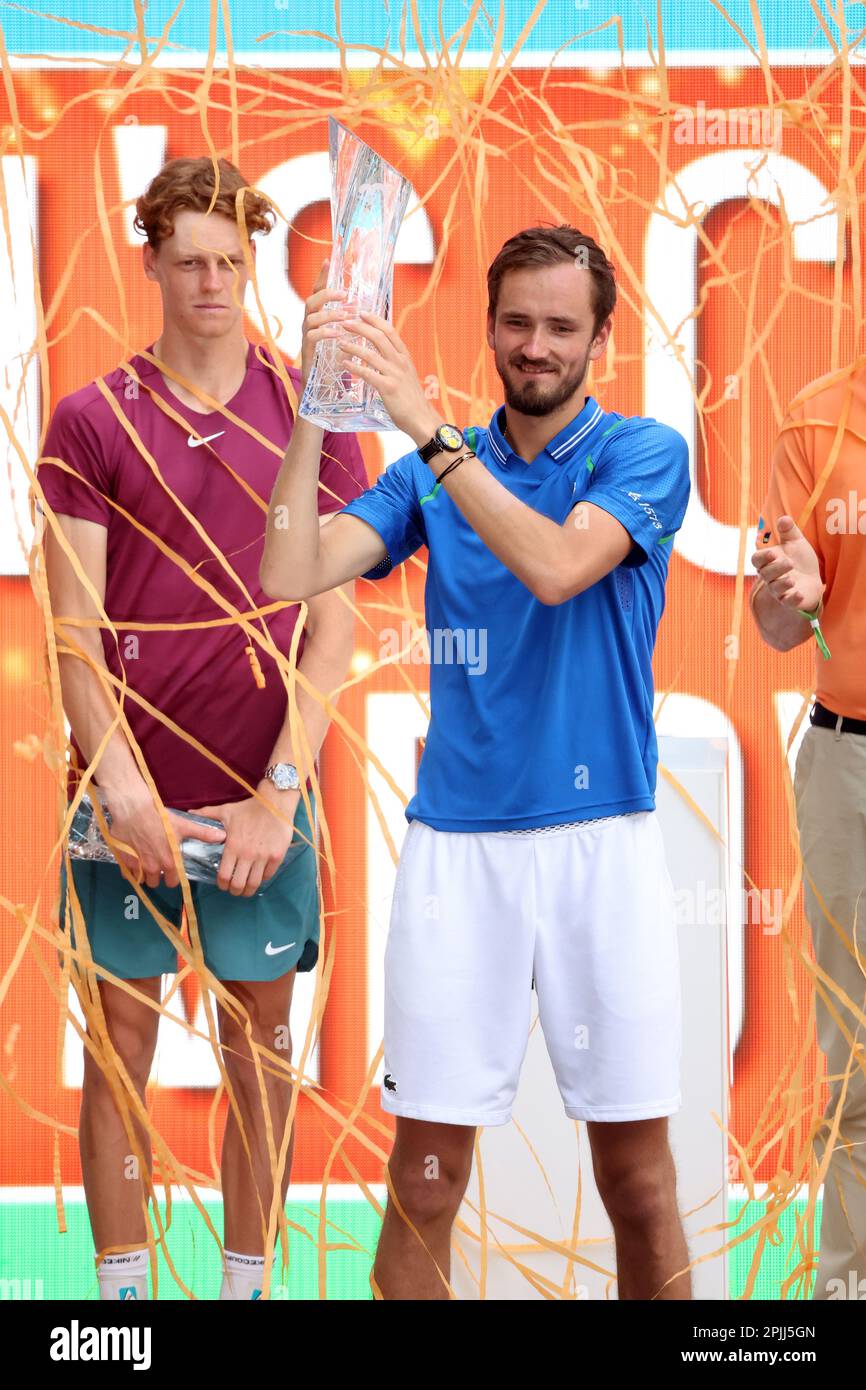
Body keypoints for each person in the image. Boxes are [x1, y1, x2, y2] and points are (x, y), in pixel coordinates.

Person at [261, 225, 693, 1300]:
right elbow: (286, 566)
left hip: (605, 846)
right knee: (424, 1175)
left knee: (634, 1181)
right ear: (488, 327)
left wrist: (422, 423)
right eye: (515, 322)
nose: (534, 345)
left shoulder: (641, 452)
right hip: (459, 853)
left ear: (600, 334)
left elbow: (553, 566)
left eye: (559, 325)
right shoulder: (423, 477)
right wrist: (319, 402)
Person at [36, 156, 367, 1299]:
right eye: (189, 263)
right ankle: (123, 1311)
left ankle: (243, 1294)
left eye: (230, 262)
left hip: (257, 805)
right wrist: (123, 794)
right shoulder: (90, 418)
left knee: (259, 1053)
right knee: (118, 1054)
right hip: (122, 800)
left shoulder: (311, 414)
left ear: (252, 262)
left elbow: (333, 630)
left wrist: (280, 791)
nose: (212, 283)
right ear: (152, 262)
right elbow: (70, 631)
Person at [750, 365, 866, 1300]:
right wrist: (792, 591)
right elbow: (777, 630)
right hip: (850, 766)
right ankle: (845, 1292)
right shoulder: (816, 420)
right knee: (859, 1051)